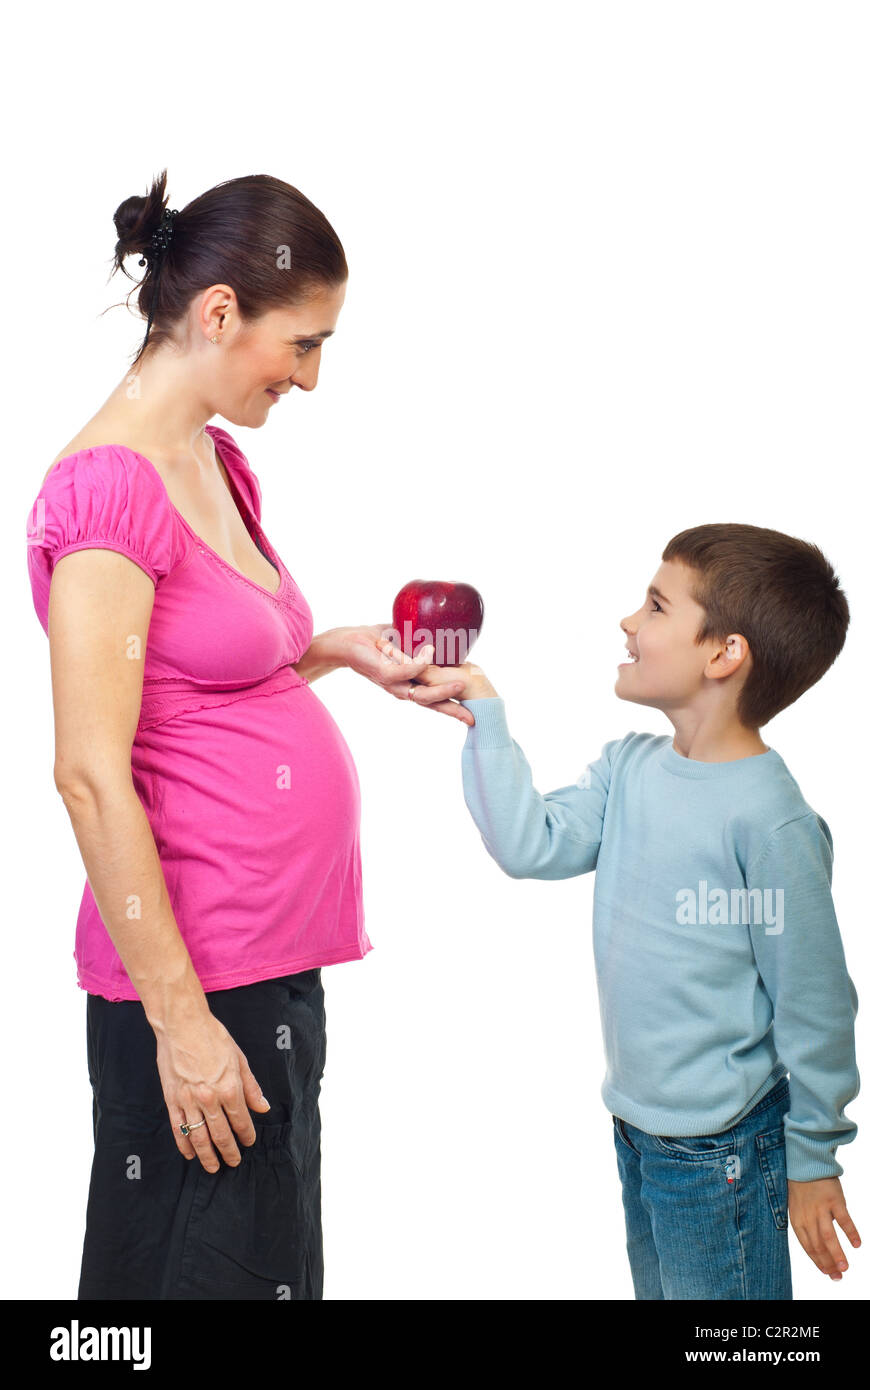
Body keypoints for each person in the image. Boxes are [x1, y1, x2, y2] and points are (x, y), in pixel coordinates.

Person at [25, 169, 474, 1301]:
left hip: (266, 967)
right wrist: (180, 1024)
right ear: (219, 313)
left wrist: (327, 649)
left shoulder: (217, 464)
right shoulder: (104, 499)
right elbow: (87, 773)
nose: (313, 378)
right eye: (303, 343)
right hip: (195, 979)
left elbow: (199, 674)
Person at [394, 522, 861, 1299]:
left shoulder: (771, 823)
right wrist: (485, 715)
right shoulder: (628, 768)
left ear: (724, 654)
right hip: (641, 1130)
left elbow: (814, 1002)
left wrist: (814, 1158)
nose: (627, 622)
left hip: (726, 1149)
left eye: (654, 606)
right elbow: (529, 844)